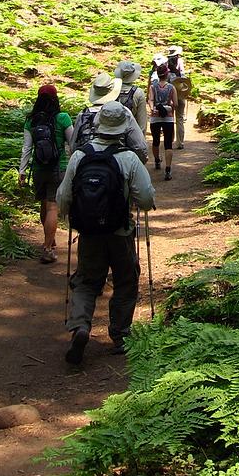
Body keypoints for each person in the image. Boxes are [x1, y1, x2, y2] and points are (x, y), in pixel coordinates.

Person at [56, 101, 155, 362]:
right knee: (125, 280)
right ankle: (120, 335)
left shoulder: (80, 156)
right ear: (123, 128)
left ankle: (80, 325)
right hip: (120, 232)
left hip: (89, 233)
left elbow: (63, 197)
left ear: (99, 126)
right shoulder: (129, 159)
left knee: (86, 281)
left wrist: (69, 215)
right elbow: (145, 199)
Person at [18, 84, 73, 263]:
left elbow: (27, 148)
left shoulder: (31, 120)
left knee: (44, 205)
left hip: (38, 169)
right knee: (52, 207)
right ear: (55, 98)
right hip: (58, 168)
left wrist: (22, 171)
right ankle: (48, 248)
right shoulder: (63, 118)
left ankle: (48, 238)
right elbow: (73, 144)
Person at [71, 72, 149, 162]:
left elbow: (74, 147)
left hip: (87, 165)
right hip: (118, 165)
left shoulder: (83, 115)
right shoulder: (123, 112)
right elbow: (140, 147)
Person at [147, 57, 178, 180]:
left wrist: (152, 108)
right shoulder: (171, 88)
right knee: (168, 144)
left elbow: (150, 100)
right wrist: (169, 107)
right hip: (168, 118)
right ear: (167, 75)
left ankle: (156, 161)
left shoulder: (153, 87)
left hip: (155, 117)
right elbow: (175, 104)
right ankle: (168, 170)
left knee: (155, 141)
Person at [112, 60, 148, 135]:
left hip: (113, 133)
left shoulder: (111, 91)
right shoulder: (138, 92)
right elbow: (142, 121)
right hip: (131, 133)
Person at [166, 44, 190, 150]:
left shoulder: (167, 76)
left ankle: (170, 140)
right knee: (179, 119)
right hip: (181, 98)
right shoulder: (181, 74)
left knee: (170, 119)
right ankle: (180, 143)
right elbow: (186, 86)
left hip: (170, 100)